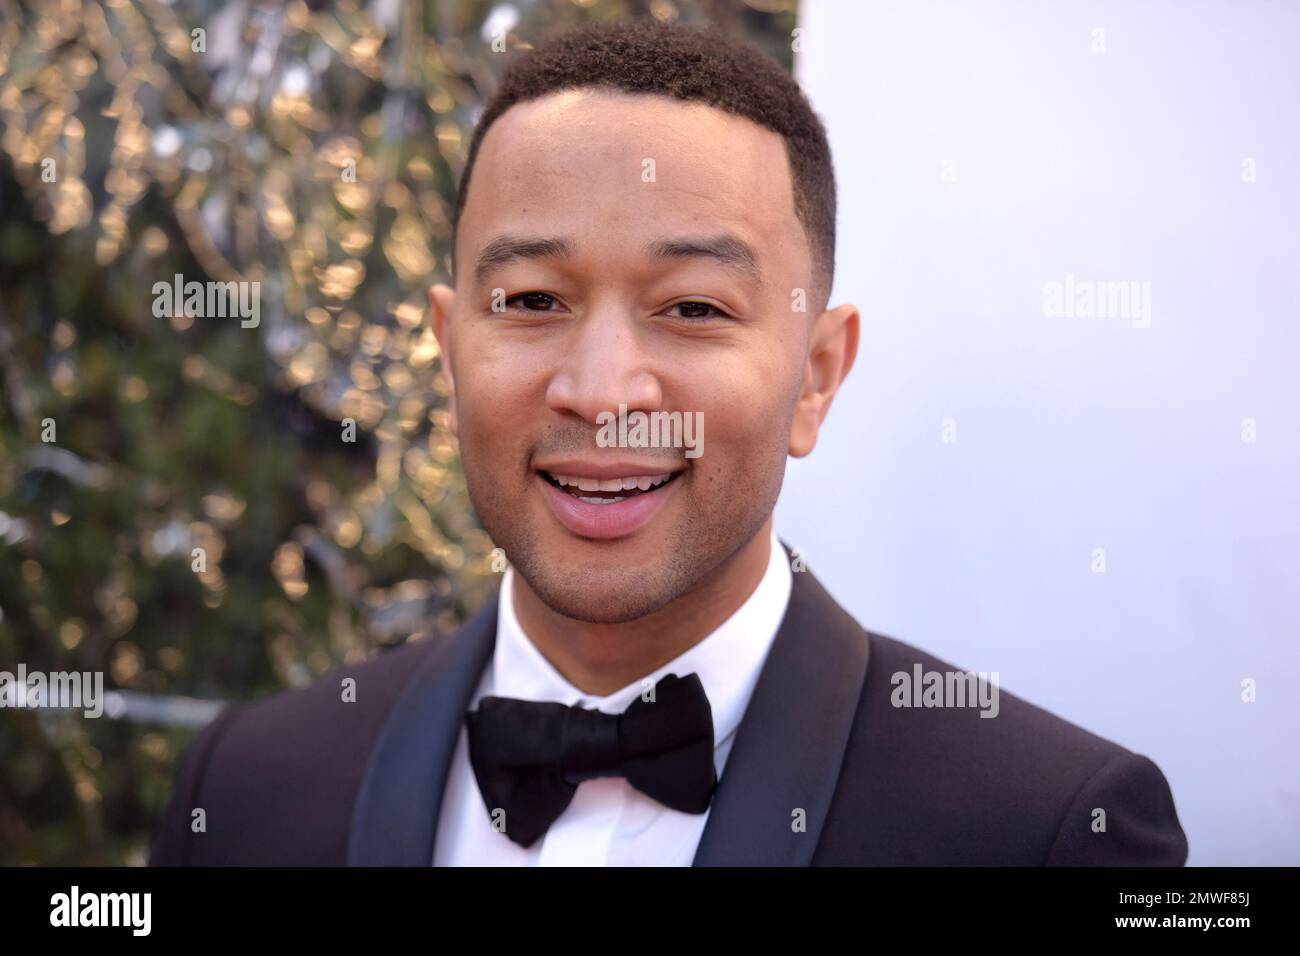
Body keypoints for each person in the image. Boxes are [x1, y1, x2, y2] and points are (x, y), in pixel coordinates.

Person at [150, 19, 1187, 866]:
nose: (604, 393)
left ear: (815, 376)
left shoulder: (1046, 830)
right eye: (533, 300)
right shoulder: (243, 794)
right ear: (449, 349)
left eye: (693, 308)